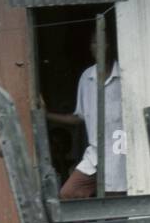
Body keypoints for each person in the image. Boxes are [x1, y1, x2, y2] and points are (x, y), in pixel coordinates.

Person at [42, 26, 125, 199]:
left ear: (112, 45)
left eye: (103, 42)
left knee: (114, 205)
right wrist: (45, 115)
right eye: (94, 42)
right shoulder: (87, 77)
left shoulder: (125, 75)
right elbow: (79, 118)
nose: (98, 46)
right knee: (68, 194)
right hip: (95, 155)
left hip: (120, 154)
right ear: (90, 47)